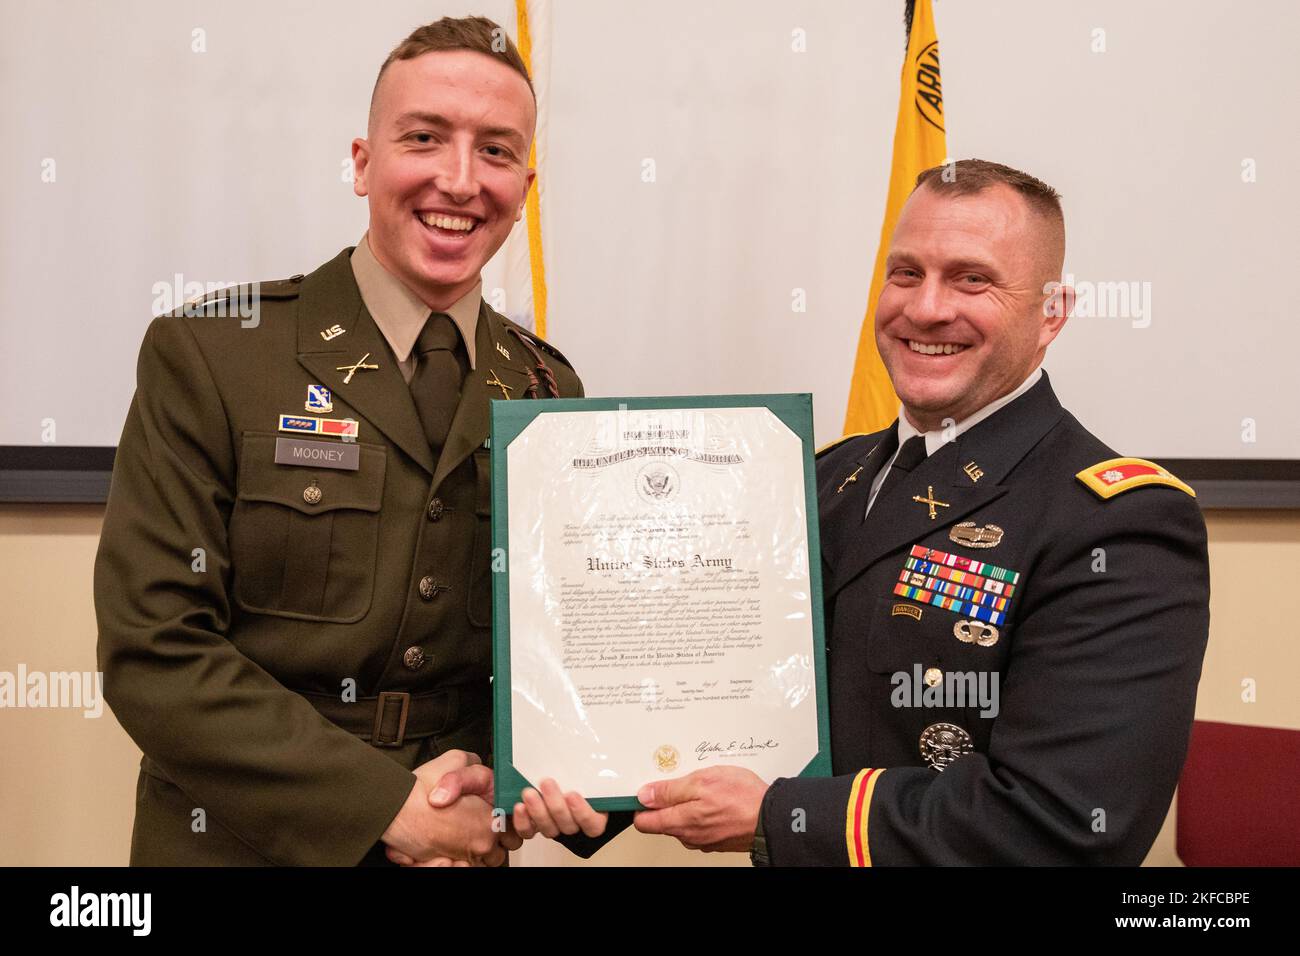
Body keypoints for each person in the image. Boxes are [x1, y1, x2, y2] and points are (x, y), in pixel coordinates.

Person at [94, 15, 584, 866]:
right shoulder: (214, 352)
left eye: (497, 151)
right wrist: (389, 807)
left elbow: (561, 656)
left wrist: (541, 783)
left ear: (527, 184)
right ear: (363, 163)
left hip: (459, 846)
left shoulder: (547, 388)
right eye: (424, 138)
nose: (460, 180)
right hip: (239, 844)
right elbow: (155, 653)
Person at [632, 159, 1210, 865]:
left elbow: (1060, 823)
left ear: (1052, 312)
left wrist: (780, 817)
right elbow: (715, 684)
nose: (927, 308)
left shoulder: (1118, 522)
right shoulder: (822, 477)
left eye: (973, 279)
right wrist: (577, 778)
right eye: (906, 273)